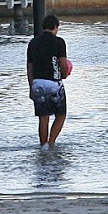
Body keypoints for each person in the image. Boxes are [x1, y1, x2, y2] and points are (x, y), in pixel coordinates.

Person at [27, 14, 68, 150]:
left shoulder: (33, 42)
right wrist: (65, 74)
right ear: (55, 27)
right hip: (53, 83)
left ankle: (43, 146)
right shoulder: (59, 42)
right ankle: (51, 143)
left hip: (38, 83)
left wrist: (31, 87)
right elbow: (63, 64)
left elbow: (30, 67)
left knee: (43, 117)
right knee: (61, 115)